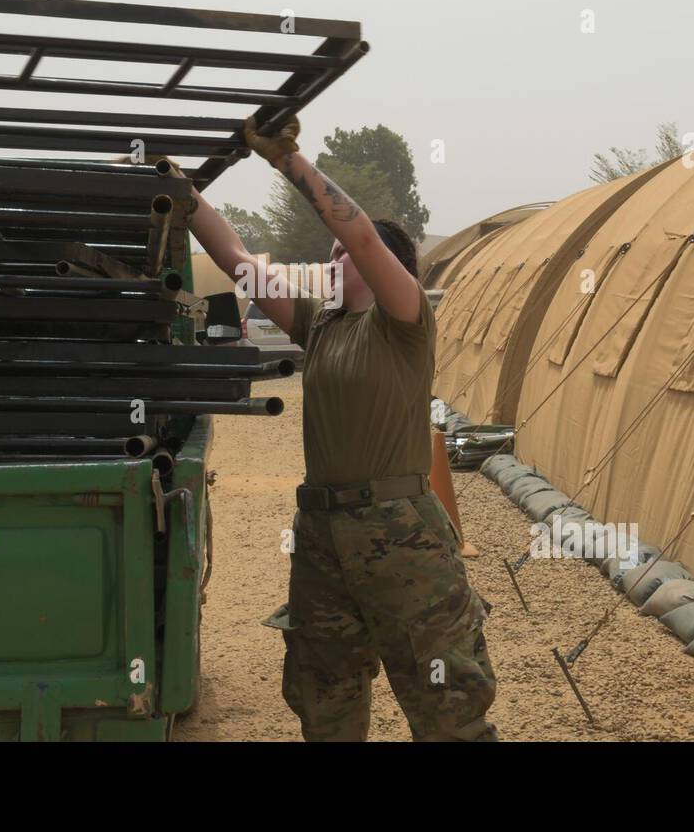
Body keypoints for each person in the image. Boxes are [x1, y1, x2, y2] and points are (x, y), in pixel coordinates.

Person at [187, 115, 498, 742]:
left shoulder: (403, 321)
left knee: (444, 699)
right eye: (329, 255)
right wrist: (184, 197)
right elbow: (239, 261)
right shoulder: (319, 324)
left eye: (341, 257)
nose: (332, 262)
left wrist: (288, 162)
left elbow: (360, 237)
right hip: (322, 532)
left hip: (401, 533)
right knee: (322, 692)